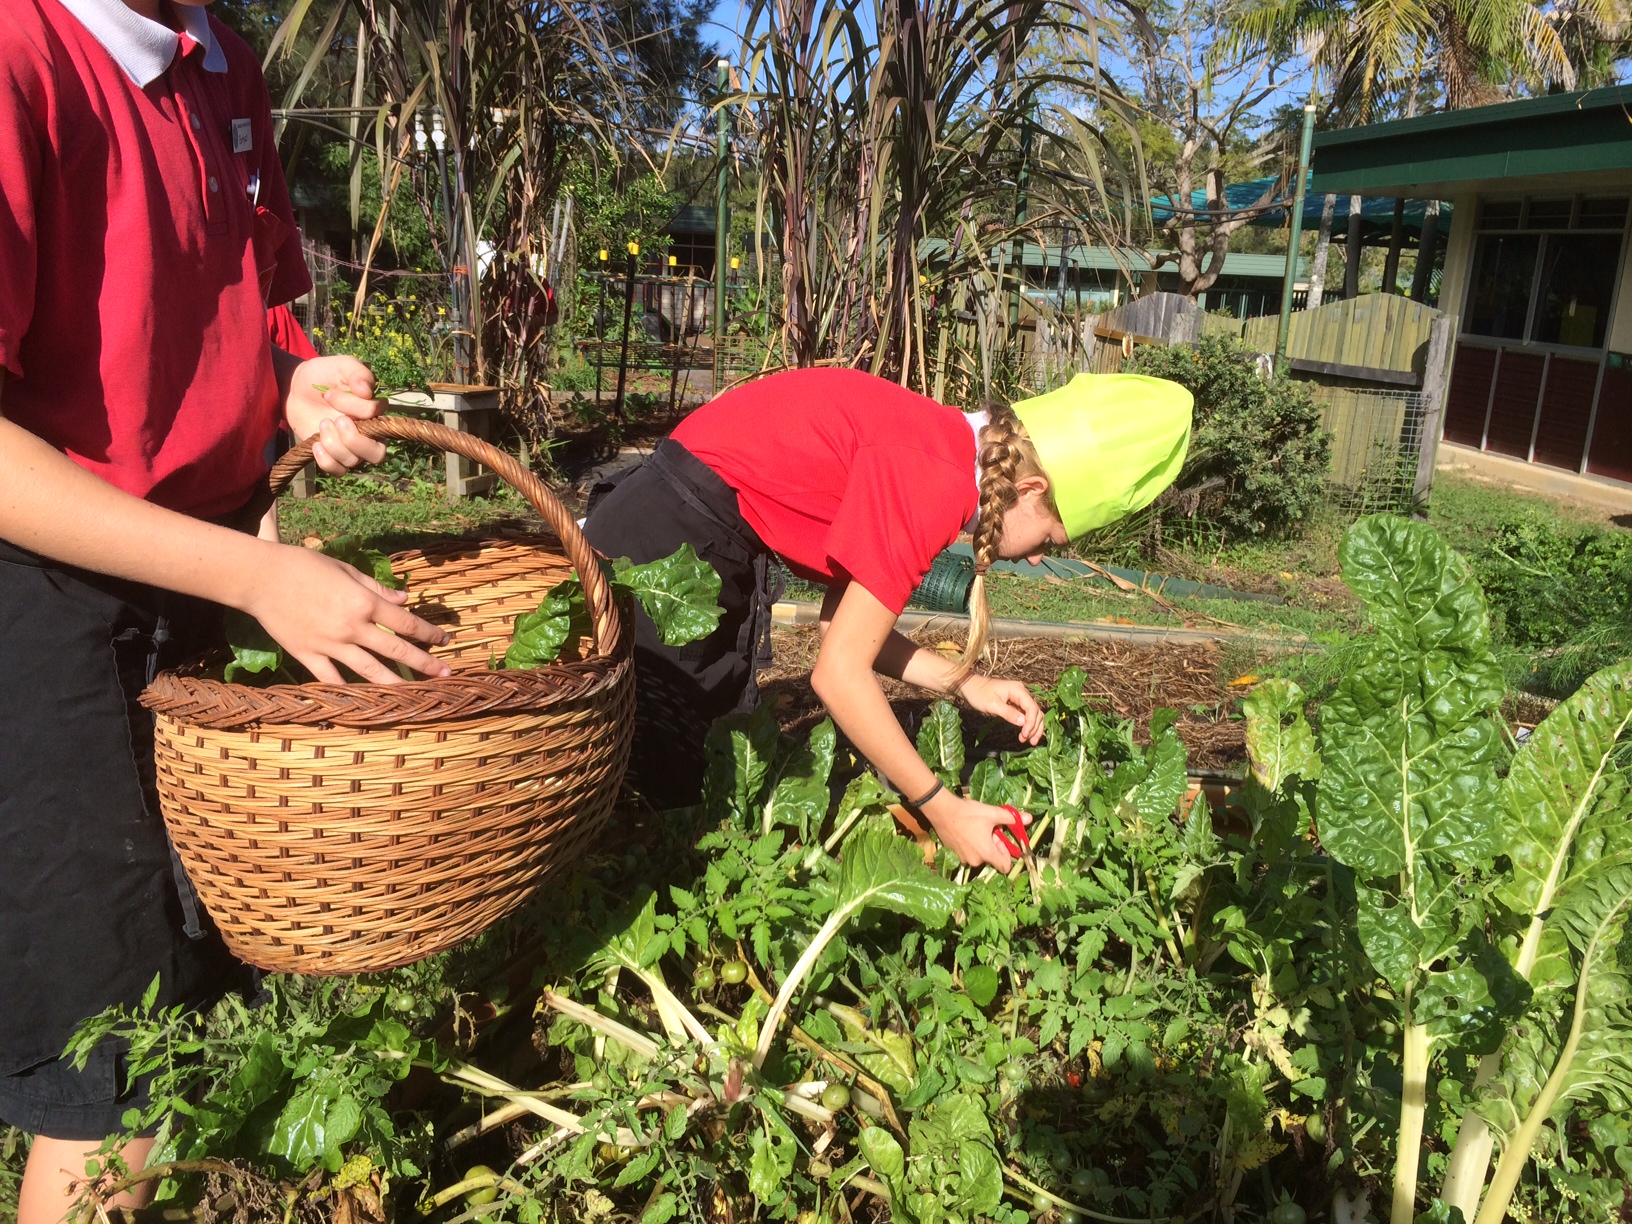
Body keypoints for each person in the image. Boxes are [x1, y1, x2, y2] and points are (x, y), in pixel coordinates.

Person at [0, 0, 451, 1219]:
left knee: (190, 1016)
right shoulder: (21, 52)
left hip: (184, 584)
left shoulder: (216, 63)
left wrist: (295, 386)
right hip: (42, 598)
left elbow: (234, 313)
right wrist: (258, 577)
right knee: (115, 1079)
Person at [583, 366, 1192, 865]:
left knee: (676, 781)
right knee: (670, 794)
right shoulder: (932, 480)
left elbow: (839, 629)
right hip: (670, 544)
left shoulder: (938, 447)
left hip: (674, 521)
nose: (1036, 561)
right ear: (1031, 491)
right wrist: (941, 808)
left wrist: (966, 684)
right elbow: (837, 674)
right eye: (1048, 541)